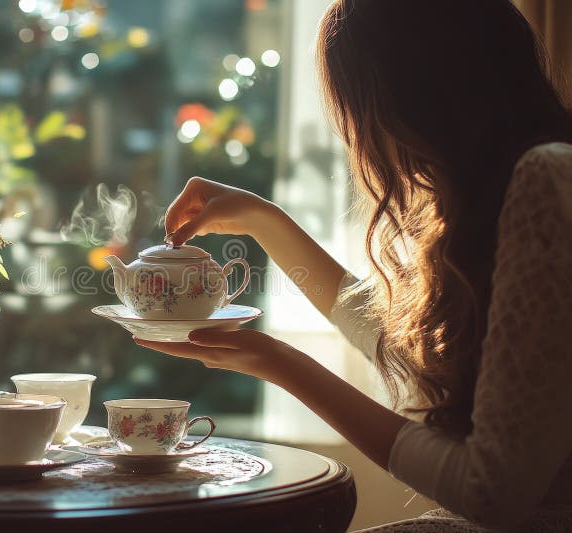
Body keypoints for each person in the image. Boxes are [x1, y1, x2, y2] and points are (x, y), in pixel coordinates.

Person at [134, 0, 572, 530]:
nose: (357, 138)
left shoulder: (547, 180)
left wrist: (282, 365)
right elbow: (405, 348)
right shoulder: (504, 196)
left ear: (411, 97)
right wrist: (264, 221)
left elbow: (489, 493)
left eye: (356, 110)